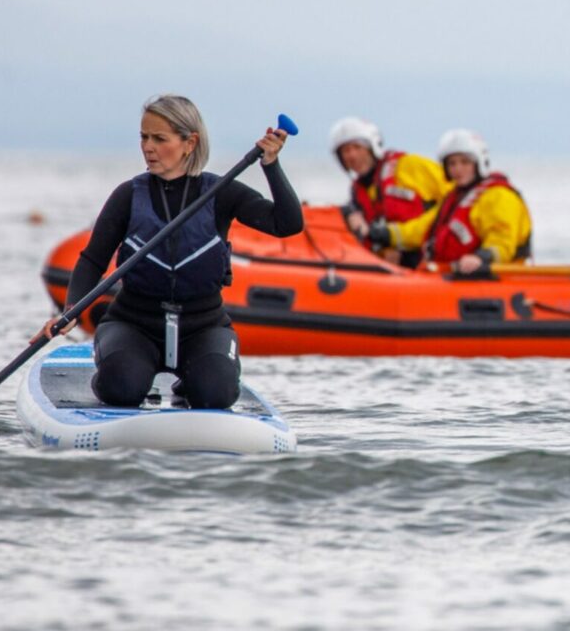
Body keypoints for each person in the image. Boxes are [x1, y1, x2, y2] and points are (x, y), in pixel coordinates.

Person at [42, 95, 303, 409]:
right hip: (133, 323)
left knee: (215, 395)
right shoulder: (128, 195)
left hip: (203, 326)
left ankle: (190, 383)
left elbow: (287, 224)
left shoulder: (221, 193)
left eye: (159, 138)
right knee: (122, 389)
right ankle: (123, 371)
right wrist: (71, 310)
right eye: (144, 137)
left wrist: (271, 166)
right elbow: (93, 259)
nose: (147, 146)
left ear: (189, 142)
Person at [403, 128, 532, 274]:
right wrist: (387, 234)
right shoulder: (454, 198)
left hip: (492, 278)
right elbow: (421, 229)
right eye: (452, 164)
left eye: (465, 162)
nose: (458, 169)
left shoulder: (499, 196)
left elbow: (502, 241)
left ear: (478, 163)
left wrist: (482, 257)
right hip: (452, 275)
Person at [329, 116, 447, 267]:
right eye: (345, 151)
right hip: (393, 271)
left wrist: (400, 236)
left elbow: (456, 199)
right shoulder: (357, 197)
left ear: (372, 147)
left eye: (357, 148)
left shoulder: (410, 166)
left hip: (427, 258)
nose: (352, 156)